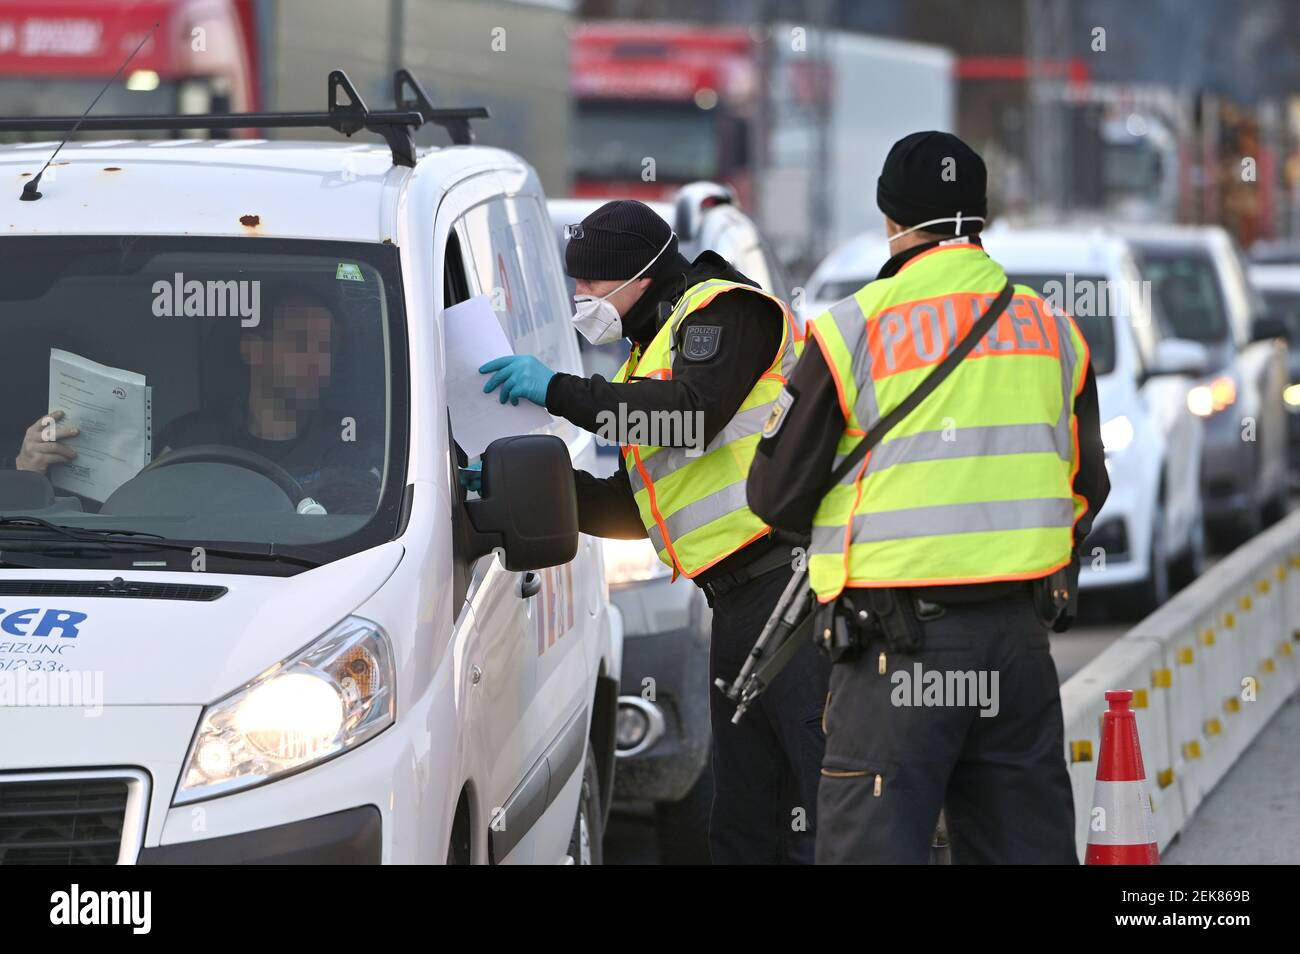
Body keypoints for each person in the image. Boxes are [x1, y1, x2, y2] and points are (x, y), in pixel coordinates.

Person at [747, 131, 1110, 864]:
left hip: (895, 653)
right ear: (980, 216)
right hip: (1016, 643)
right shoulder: (1054, 329)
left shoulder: (851, 329)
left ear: (891, 218)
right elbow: (1085, 486)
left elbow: (775, 495)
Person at [478, 199, 830, 864]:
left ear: (640, 276)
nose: (581, 297)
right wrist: (505, 484)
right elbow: (640, 510)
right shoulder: (648, 353)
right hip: (738, 601)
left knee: (819, 806)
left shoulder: (726, 312)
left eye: (590, 283)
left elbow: (688, 418)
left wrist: (558, 391)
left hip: (792, 593)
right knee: (745, 817)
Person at [12, 284, 381, 514]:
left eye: (327, 347)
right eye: (300, 344)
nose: (319, 361)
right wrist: (30, 472)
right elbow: (109, 516)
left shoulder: (352, 445)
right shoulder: (188, 438)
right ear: (253, 349)